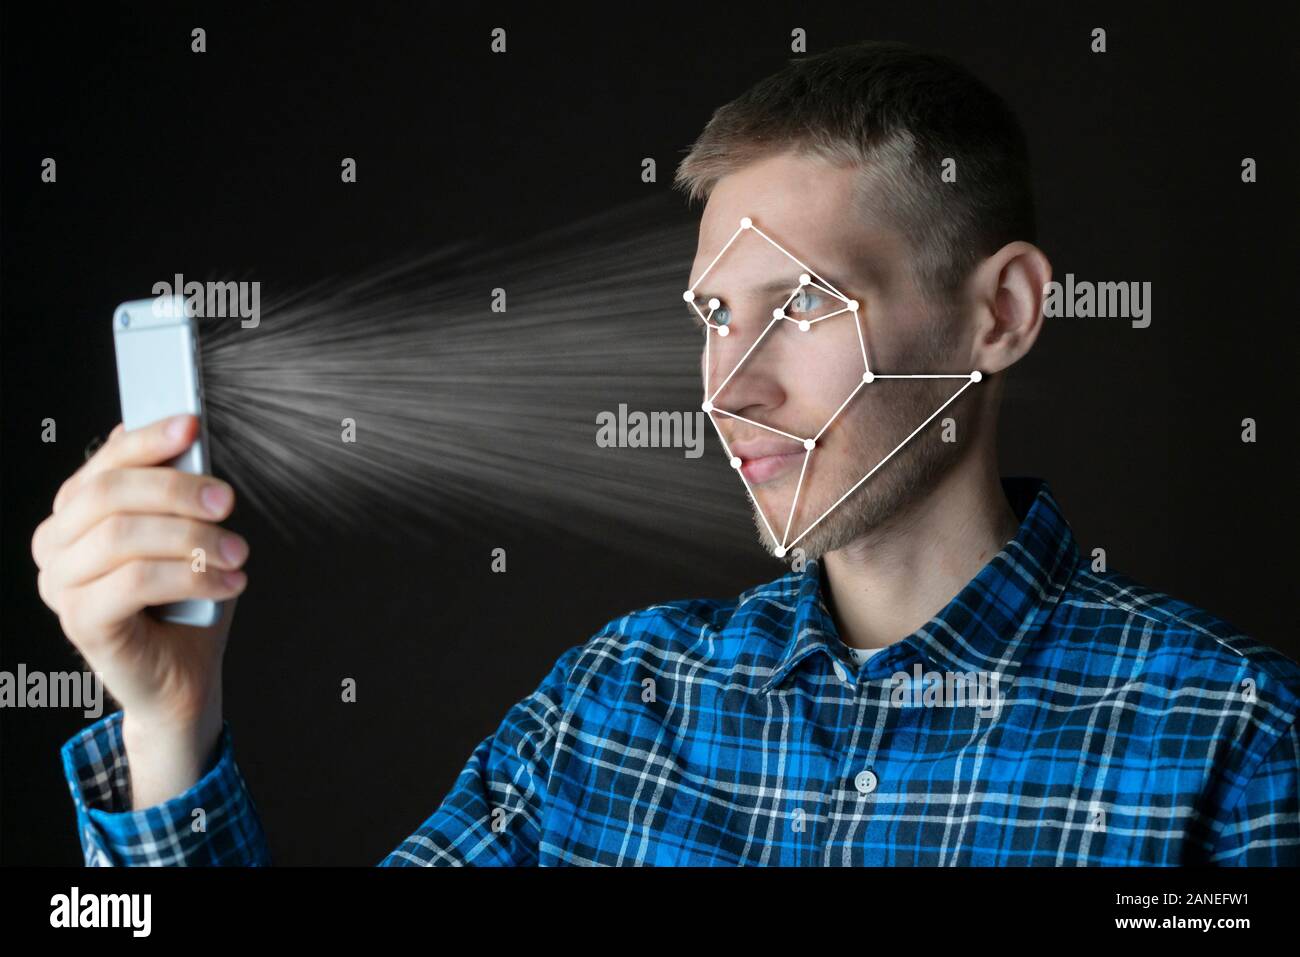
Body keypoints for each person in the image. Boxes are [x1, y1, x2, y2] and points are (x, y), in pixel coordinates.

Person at [32, 41, 1299, 866]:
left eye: (803, 304)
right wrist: (170, 718)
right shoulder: (613, 705)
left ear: (1001, 314)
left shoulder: (1231, 741)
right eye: (712, 314)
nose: (728, 388)